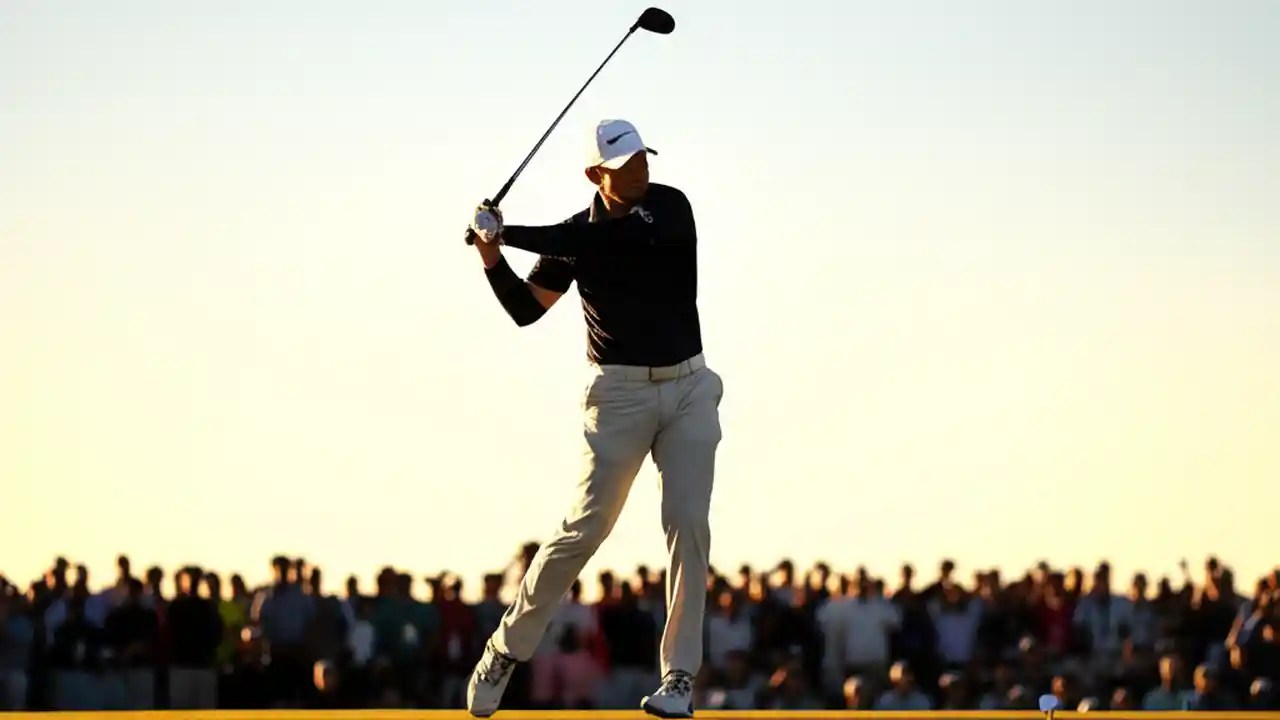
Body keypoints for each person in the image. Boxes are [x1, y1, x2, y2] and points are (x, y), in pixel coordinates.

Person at [465, 118, 725, 719]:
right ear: (595, 175)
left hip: (688, 386)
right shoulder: (572, 238)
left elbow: (599, 244)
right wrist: (490, 256)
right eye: (626, 164)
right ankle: (505, 649)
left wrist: (509, 230)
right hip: (619, 397)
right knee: (585, 530)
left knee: (688, 523)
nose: (642, 169)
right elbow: (526, 310)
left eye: (642, 158)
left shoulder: (668, 209)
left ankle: (679, 678)